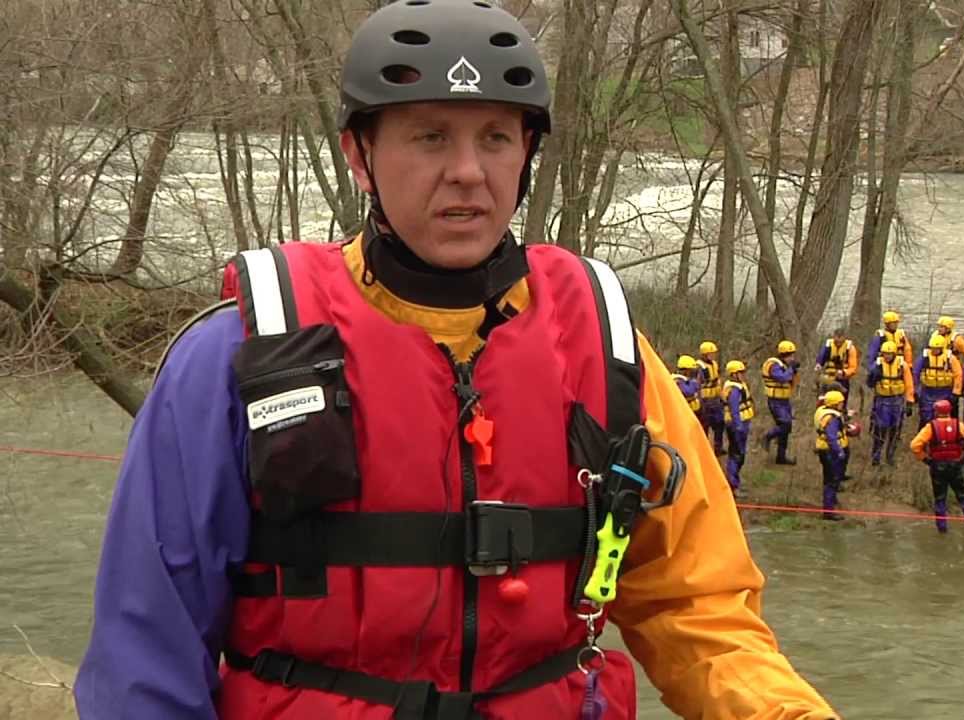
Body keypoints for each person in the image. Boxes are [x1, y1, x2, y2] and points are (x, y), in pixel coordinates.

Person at [72, 3, 835, 719]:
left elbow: (696, 607)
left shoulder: (606, 351)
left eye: (495, 138)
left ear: (527, 155)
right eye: (431, 136)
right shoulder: (239, 353)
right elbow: (147, 649)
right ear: (360, 156)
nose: (468, 171)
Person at [910, 399, 964, 533]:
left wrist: (926, 459)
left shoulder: (930, 427)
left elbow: (914, 445)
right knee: (963, 496)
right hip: (955, 465)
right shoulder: (959, 425)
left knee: (940, 499)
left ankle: (942, 529)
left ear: (936, 412)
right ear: (949, 411)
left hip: (938, 467)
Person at [865, 340, 915, 467]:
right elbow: (869, 383)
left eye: (889, 354)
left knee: (895, 431)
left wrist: (910, 402)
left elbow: (909, 384)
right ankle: (876, 458)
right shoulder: (877, 365)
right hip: (882, 400)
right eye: (884, 354)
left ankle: (890, 457)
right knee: (880, 430)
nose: (886, 356)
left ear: (894, 354)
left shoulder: (902, 366)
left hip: (897, 401)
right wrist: (873, 376)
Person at [761, 340, 799, 465]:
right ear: (783, 355)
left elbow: (791, 382)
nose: (792, 358)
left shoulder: (785, 366)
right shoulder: (773, 364)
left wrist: (794, 370)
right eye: (790, 356)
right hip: (775, 401)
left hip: (784, 400)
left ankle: (781, 457)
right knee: (785, 424)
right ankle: (768, 436)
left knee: (786, 429)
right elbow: (782, 378)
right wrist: (791, 369)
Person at [914, 333, 963, 430]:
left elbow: (958, 375)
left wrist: (956, 393)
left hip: (945, 391)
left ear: (942, 348)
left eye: (937, 348)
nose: (934, 350)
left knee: (944, 416)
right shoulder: (924, 357)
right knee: (926, 417)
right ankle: (924, 438)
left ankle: (943, 437)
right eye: (932, 348)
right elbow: (915, 373)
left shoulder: (950, 358)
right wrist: (916, 391)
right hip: (927, 391)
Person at [814, 390, 850, 521]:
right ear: (835, 404)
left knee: (828, 477)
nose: (842, 405)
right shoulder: (832, 418)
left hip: (824, 449)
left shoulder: (822, 411)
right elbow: (831, 436)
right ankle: (828, 511)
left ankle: (831, 501)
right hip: (831, 452)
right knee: (832, 480)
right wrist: (839, 451)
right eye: (841, 403)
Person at [722, 360, 755, 494]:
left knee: (739, 454)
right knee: (736, 454)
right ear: (733, 374)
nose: (743, 375)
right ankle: (732, 485)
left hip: (741, 423)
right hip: (737, 425)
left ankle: (734, 482)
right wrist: (739, 425)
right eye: (740, 373)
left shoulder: (739, 385)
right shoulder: (734, 390)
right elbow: (734, 409)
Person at [696, 340, 727, 455]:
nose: (713, 355)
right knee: (705, 425)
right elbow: (697, 385)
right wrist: (699, 402)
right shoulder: (699, 367)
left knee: (720, 423)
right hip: (704, 401)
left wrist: (722, 396)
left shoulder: (714, 364)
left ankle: (718, 448)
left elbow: (718, 381)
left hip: (715, 399)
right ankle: (703, 450)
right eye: (711, 353)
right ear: (705, 354)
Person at [814, 327, 858, 397]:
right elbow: (821, 358)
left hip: (842, 380)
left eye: (840, 341)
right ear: (833, 337)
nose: (838, 343)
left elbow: (853, 368)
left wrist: (844, 372)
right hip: (827, 378)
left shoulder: (850, 348)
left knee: (841, 402)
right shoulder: (828, 346)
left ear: (844, 338)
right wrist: (818, 365)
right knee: (822, 399)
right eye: (837, 341)